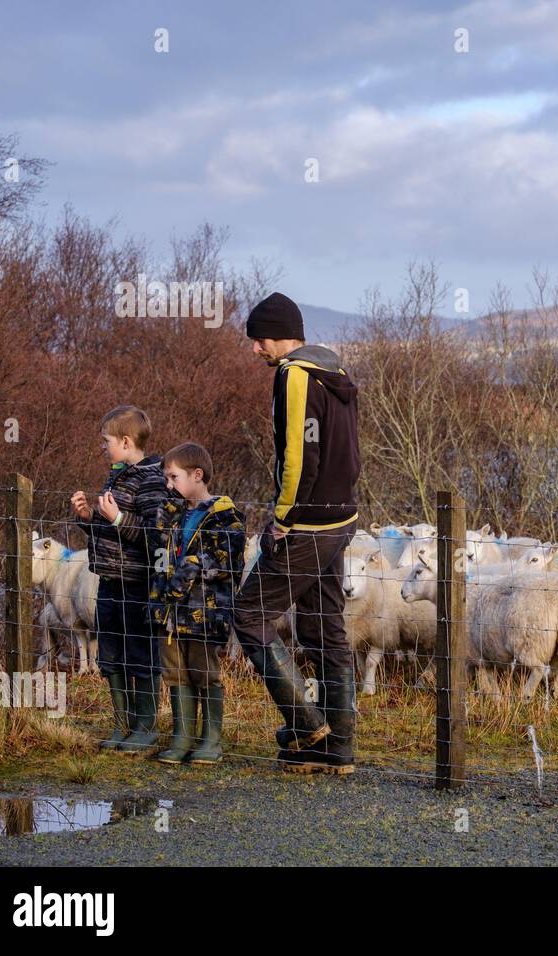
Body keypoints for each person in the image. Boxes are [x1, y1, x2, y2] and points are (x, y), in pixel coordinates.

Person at [231, 292, 362, 774]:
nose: (254, 350)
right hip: (340, 519)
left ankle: (306, 724)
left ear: (276, 335)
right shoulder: (338, 373)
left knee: (248, 613)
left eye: (257, 340)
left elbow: (298, 455)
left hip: (305, 523)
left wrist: (281, 519)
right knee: (322, 626)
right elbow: (345, 451)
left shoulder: (295, 375)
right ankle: (337, 748)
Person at [70, 405, 173, 753]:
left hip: (138, 584)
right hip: (109, 580)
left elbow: (156, 537)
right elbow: (109, 531)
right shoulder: (116, 475)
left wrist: (117, 519)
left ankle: (146, 728)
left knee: (140, 655)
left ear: (126, 441)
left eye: (107, 441)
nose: (103, 447)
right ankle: (122, 725)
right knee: (110, 654)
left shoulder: (153, 479)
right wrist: (87, 518)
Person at [150, 442, 246, 765]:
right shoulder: (170, 515)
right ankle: (182, 737)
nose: (168, 484)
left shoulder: (225, 516)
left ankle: (211, 740)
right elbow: (160, 558)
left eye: (173, 477)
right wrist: (160, 597)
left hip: (204, 612)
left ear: (197, 475)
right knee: (175, 671)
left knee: (204, 671)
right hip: (170, 612)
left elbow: (229, 561)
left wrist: (190, 566)